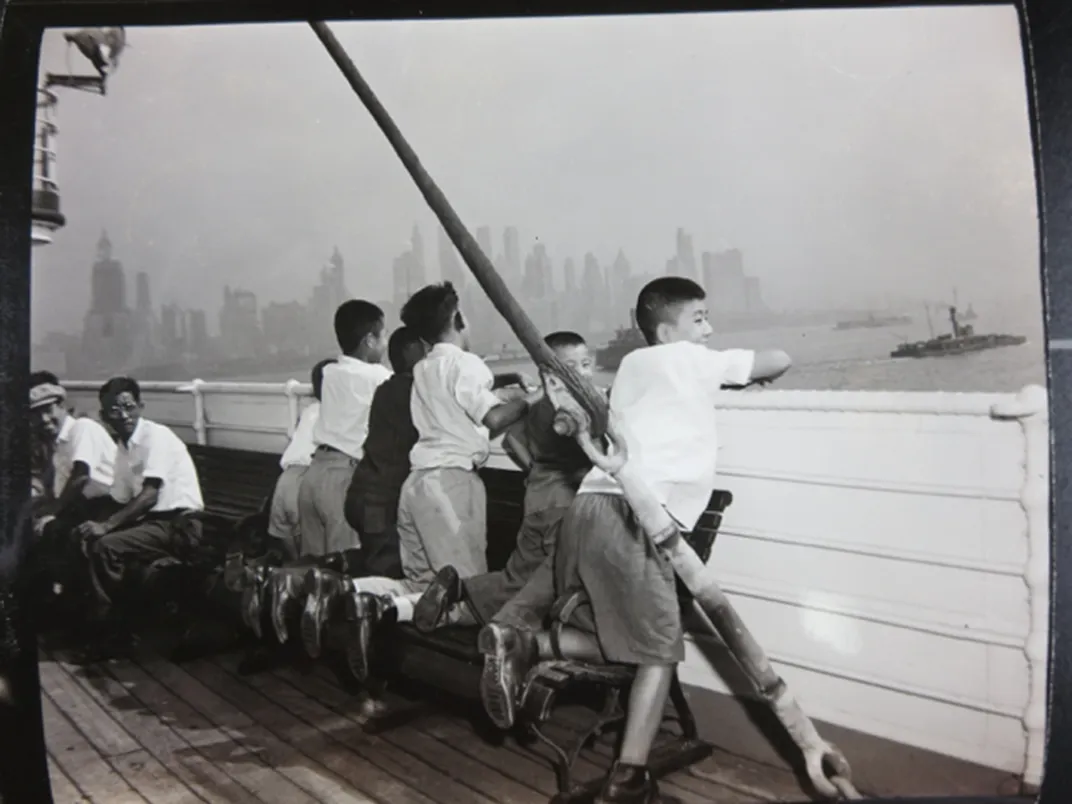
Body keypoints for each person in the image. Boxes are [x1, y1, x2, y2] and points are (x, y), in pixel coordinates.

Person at [476, 276, 791, 804]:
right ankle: (628, 778)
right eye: (699, 318)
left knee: (619, 637)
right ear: (668, 329)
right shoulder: (689, 358)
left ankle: (526, 642)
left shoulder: (631, 368)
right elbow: (779, 358)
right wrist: (736, 375)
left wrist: (719, 377)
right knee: (659, 651)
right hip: (639, 516)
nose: (709, 329)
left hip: (588, 506)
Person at [302, 281, 539, 667]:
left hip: (416, 487)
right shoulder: (465, 363)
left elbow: (462, 402)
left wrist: (504, 384)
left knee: (418, 584)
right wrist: (537, 395)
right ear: (458, 319)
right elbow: (493, 417)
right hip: (450, 486)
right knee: (466, 591)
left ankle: (347, 590)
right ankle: (463, 670)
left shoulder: (424, 367)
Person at [410, 331, 598, 633]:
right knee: (558, 580)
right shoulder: (577, 409)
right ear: (551, 376)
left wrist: (535, 467)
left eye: (586, 364)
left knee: (517, 577)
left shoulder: (538, 405)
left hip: (536, 499)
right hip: (564, 508)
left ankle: (462, 590)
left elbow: (512, 439)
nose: (582, 373)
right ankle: (508, 630)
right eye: (572, 367)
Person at [76, 376, 206, 661]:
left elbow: (149, 495)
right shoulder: (122, 448)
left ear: (141, 407)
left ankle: (115, 637)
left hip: (180, 526)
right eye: (114, 410)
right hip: (154, 524)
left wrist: (106, 527)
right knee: (90, 539)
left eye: (129, 407)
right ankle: (109, 627)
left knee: (106, 546)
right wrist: (86, 522)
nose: (123, 415)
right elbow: (119, 499)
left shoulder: (155, 436)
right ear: (103, 415)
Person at [296, 300, 391, 557]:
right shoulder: (378, 377)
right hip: (343, 479)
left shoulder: (329, 372)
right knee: (342, 568)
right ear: (370, 340)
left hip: (314, 474)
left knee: (311, 567)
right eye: (383, 336)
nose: (385, 344)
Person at [27, 372, 119, 625]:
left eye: (49, 410)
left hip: (112, 506)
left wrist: (52, 513)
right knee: (30, 527)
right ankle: (52, 607)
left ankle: (85, 617)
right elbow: (53, 487)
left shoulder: (83, 428)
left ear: (62, 406)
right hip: (87, 505)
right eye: (36, 414)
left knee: (61, 532)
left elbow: (81, 476)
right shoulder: (57, 444)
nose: (44, 419)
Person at [266, 358, 336, 561]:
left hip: (285, 482)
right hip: (309, 483)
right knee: (317, 560)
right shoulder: (338, 414)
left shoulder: (308, 411)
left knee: (296, 559)